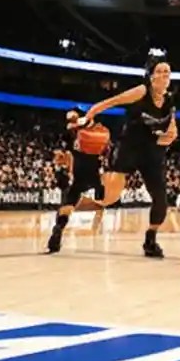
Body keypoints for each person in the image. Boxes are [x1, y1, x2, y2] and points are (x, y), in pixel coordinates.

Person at [81, 59, 178, 258]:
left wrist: (169, 136)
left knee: (161, 201)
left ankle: (150, 240)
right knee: (110, 198)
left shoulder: (170, 101)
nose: (164, 75)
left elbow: (172, 130)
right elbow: (113, 101)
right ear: (151, 76)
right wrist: (90, 113)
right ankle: (75, 203)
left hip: (152, 152)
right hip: (129, 147)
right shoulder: (142, 91)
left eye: (167, 71)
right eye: (160, 71)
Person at [46, 108, 111, 253]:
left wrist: (63, 166)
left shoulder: (71, 134)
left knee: (69, 203)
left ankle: (59, 227)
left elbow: (61, 154)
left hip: (79, 171)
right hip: (94, 171)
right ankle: (97, 221)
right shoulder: (101, 131)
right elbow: (106, 151)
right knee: (102, 201)